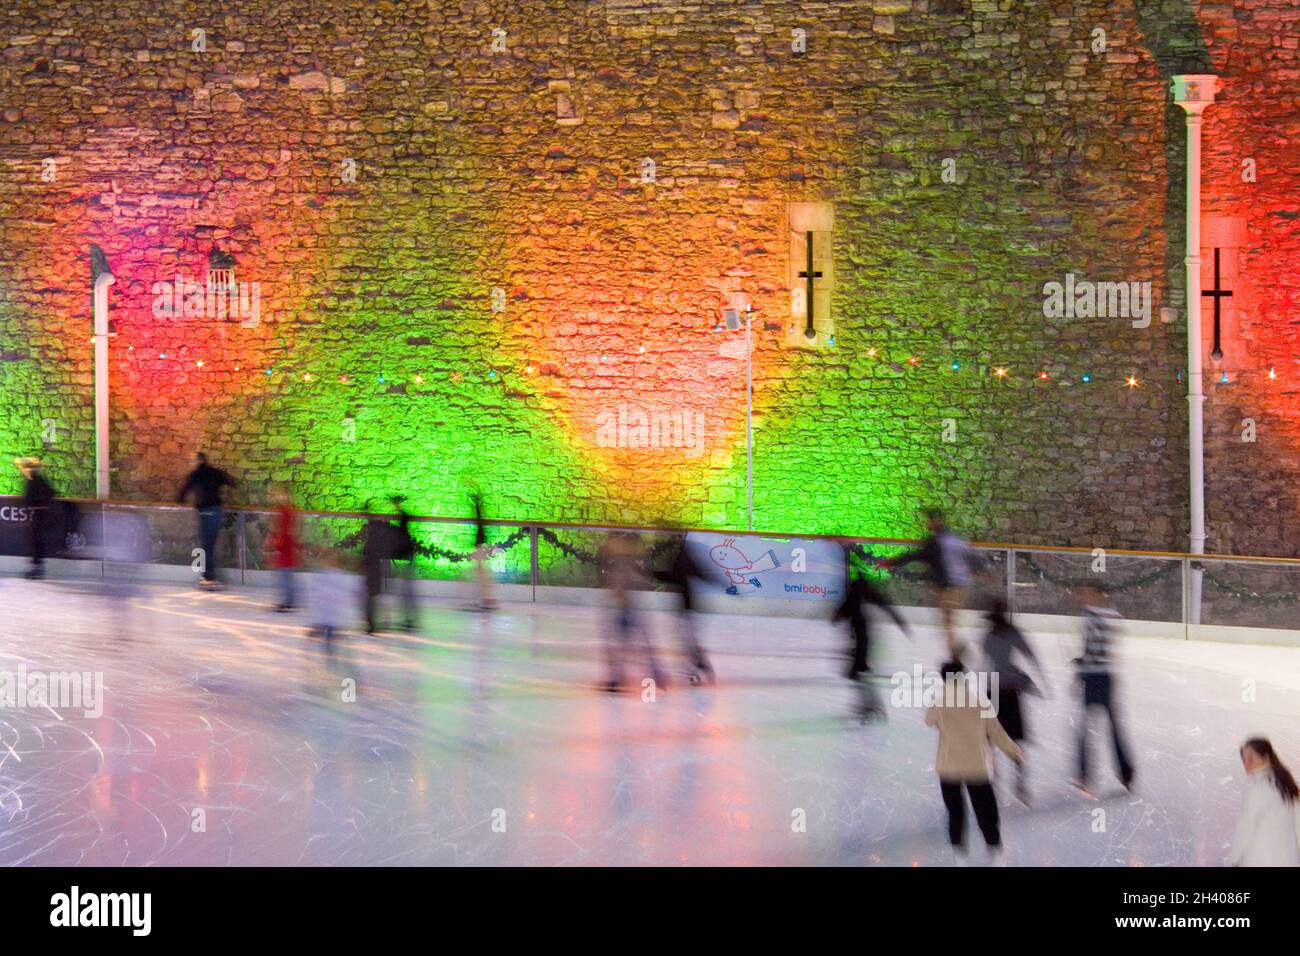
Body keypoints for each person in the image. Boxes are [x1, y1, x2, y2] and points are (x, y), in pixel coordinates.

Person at [925, 658, 1024, 862]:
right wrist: (1015, 753)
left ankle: (960, 855)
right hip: (976, 766)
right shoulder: (979, 700)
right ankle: (994, 851)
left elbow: (929, 722)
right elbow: (996, 733)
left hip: (948, 767)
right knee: (986, 810)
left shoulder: (939, 700)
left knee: (955, 812)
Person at [878, 508, 975, 659]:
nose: (927, 523)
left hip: (950, 587)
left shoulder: (938, 541)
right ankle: (957, 650)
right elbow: (970, 557)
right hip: (960, 586)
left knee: (947, 623)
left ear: (935, 521)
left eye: (929, 520)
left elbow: (917, 555)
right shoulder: (953, 538)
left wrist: (891, 562)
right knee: (948, 622)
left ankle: (955, 656)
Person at [982, 598, 1047, 804]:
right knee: (1015, 740)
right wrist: (1038, 679)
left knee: (991, 739)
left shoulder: (987, 636)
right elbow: (1030, 655)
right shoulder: (1012, 633)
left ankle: (993, 782)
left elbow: (984, 663)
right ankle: (1020, 784)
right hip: (1010, 692)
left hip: (994, 692)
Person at [1073, 584, 1135, 794]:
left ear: (1098, 595)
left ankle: (1084, 775)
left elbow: (1093, 649)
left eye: (1087, 593)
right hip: (1106, 676)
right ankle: (1127, 775)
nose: (1083, 596)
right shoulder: (1110, 616)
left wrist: (1081, 664)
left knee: (1086, 729)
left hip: (1094, 677)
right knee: (1111, 728)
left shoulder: (1091, 617)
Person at [832, 556, 911, 720]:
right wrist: (901, 623)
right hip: (862, 638)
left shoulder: (855, 590)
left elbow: (845, 609)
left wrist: (836, 617)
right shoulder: (861, 589)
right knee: (859, 672)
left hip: (861, 639)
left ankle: (872, 705)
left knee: (856, 673)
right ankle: (871, 705)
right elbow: (884, 605)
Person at [597, 531, 665, 694]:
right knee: (633, 645)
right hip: (629, 609)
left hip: (628, 610)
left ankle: (619, 678)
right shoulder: (626, 561)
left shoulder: (623, 562)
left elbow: (624, 583)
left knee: (622, 645)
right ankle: (652, 674)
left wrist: (619, 594)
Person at [653, 532, 714, 685]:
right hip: (684, 607)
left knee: (687, 643)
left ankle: (697, 671)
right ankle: (700, 667)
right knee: (687, 642)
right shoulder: (681, 556)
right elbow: (692, 574)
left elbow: (679, 576)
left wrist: (655, 574)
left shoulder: (683, 557)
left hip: (686, 607)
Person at [1230, 738, 1300, 866]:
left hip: (1260, 860)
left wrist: (1234, 859)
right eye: (1244, 759)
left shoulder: (1258, 786)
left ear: (1266, 757)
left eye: (1251, 757)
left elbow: (1246, 825)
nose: (1247, 763)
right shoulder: (1287, 786)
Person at [177, 452, 236, 589]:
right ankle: (209, 575)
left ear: (198, 461)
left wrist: (180, 500)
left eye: (194, 461)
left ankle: (209, 577)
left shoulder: (195, 474)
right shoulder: (215, 472)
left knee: (206, 545)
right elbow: (231, 482)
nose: (193, 463)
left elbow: (183, 492)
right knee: (210, 545)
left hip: (204, 512)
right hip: (215, 510)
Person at [14, 457, 56, 580]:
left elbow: (49, 493)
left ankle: (37, 569)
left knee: (36, 540)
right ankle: (36, 568)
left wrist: (38, 504)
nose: (21, 470)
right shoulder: (33, 478)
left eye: (22, 467)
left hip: (39, 515)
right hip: (38, 514)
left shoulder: (34, 479)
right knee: (35, 540)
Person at [388, 496, 418, 632]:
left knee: (407, 591)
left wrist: (397, 506)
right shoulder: (400, 532)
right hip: (406, 559)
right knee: (406, 591)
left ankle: (410, 619)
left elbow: (405, 516)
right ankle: (409, 619)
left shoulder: (401, 531)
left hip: (407, 559)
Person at [268, 486, 300, 611]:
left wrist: (277, 543)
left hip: (285, 546)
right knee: (285, 575)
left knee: (285, 574)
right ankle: (288, 600)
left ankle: (288, 600)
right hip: (284, 546)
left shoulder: (286, 511)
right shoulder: (284, 510)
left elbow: (285, 529)